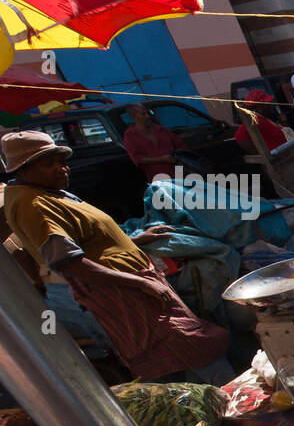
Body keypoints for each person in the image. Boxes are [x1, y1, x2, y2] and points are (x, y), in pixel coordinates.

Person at [1, 131, 233, 383]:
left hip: (128, 284)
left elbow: (85, 241)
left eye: (61, 160)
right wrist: (141, 283)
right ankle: (242, 409)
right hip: (119, 292)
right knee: (193, 349)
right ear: (22, 170)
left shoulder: (47, 194)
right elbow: (68, 262)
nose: (62, 168)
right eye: (49, 163)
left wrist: (134, 240)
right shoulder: (34, 204)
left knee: (178, 358)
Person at [123, 104, 187, 182]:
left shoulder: (162, 130)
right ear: (134, 117)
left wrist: (179, 158)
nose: (148, 116)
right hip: (159, 177)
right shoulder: (130, 135)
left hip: (178, 174)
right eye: (143, 114)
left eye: (148, 113)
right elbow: (137, 158)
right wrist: (161, 159)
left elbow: (181, 146)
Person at [234, 89, 288, 153]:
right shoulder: (255, 120)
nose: (270, 106)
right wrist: (261, 151)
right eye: (267, 104)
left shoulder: (267, 118)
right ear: (257, 107)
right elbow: (239, 137)